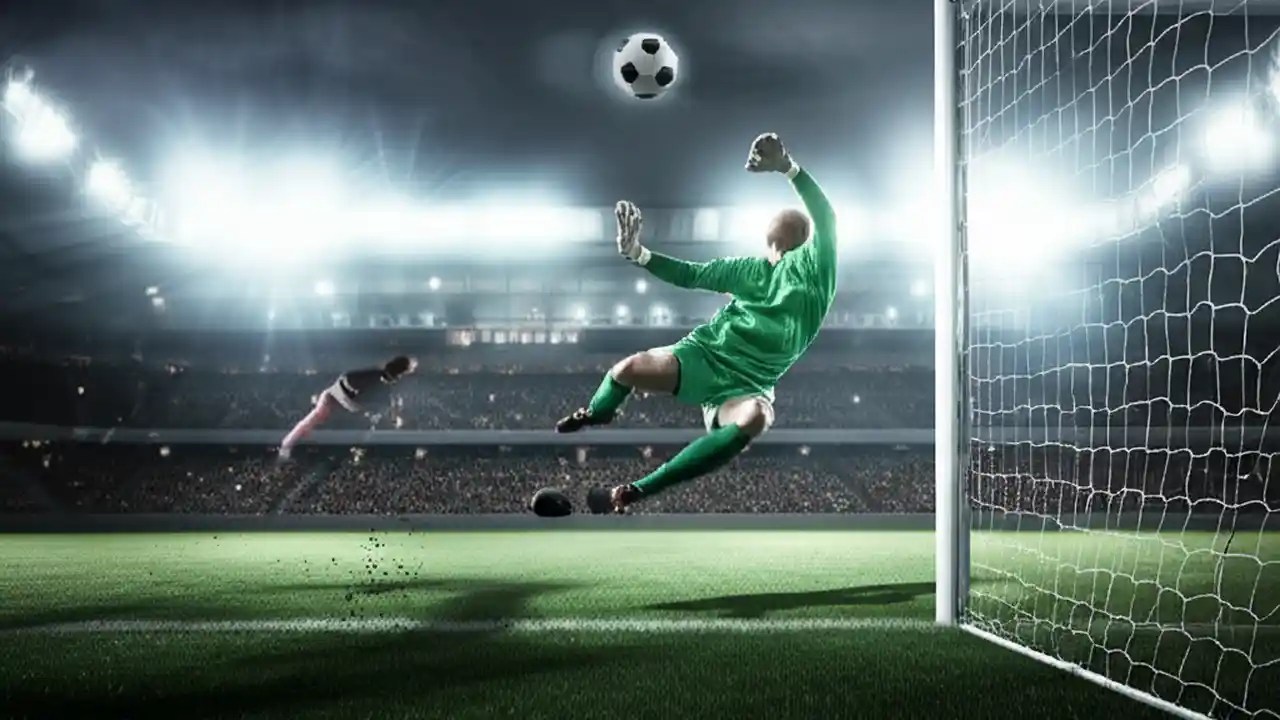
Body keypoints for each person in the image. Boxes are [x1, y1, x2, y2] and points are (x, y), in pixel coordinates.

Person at [558, 132, 838, 513]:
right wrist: (638, 253)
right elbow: (691, 274)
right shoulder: (747, 269)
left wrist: (788, 168)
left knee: (756, 416)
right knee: (627, 370)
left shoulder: (816, 268)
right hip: (703, 355)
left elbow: (826, 217)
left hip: (748, 384)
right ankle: (596, 412)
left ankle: (631, 491)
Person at [278, 355, 417, 459]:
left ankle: (289, 444)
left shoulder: (383, 391)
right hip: (341, 396)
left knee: (316, 418)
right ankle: (288, 445)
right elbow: (347, 380)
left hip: (346, 399)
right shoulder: (375, 383)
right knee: (315, 417)